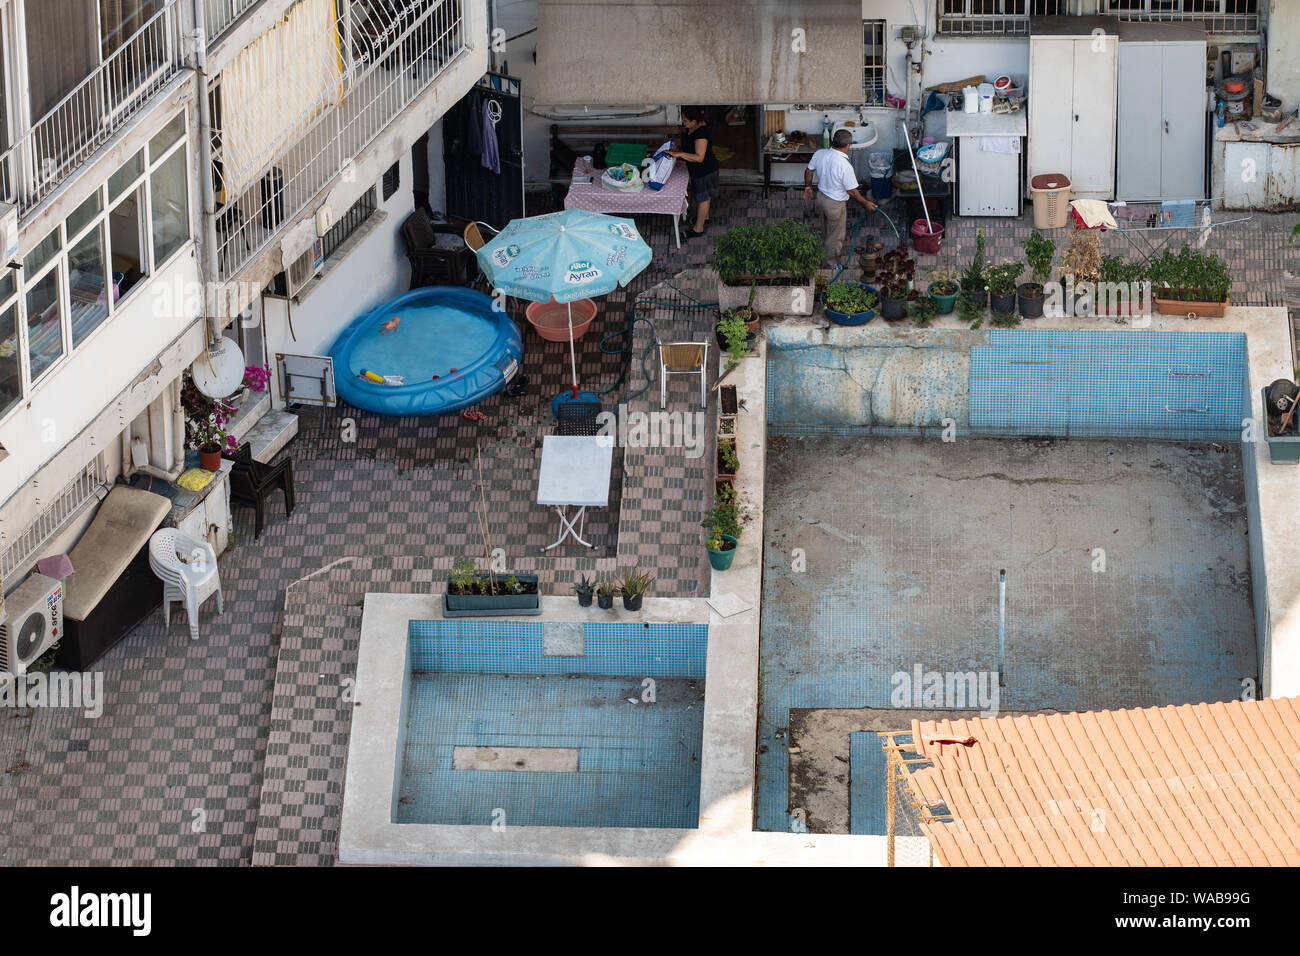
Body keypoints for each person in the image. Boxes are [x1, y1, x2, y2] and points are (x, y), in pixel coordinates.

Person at [804, 129, 877, 267]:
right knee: (835, 237)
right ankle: (831, 264)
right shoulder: (844, 165)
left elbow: (809, 170)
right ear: (848, 146)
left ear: (832, 141)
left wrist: (808, 187)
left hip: (821, 197)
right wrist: (865, 202)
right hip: (835, 204)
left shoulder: (820, 153)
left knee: (826, 227)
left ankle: (823, 251)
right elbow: (852, 191)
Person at [668, 106, 721, 239]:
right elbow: (690, 145)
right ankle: (705, 218)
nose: (683, 122)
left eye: (686, 120)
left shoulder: (701, 133)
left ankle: (698, 228)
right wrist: (678, 148)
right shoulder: (692, 127)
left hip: (705, 170)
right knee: (705, 197)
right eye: (683, 119)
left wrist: (680, 154)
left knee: (703, 199)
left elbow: (699, 157)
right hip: (701, 170)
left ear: (695, 120)